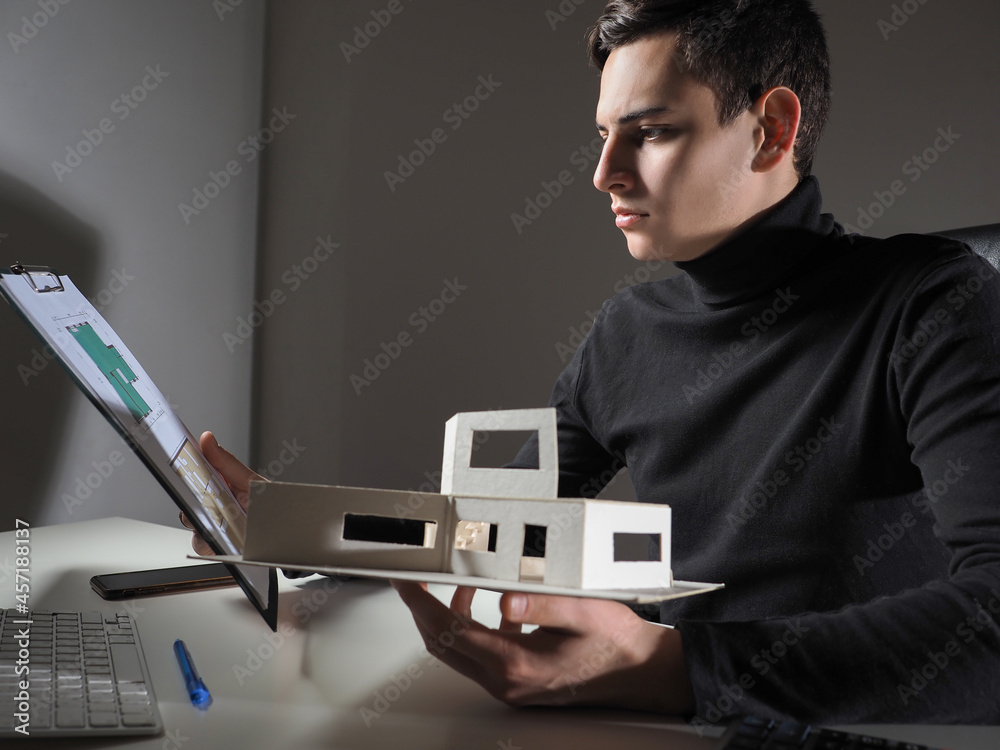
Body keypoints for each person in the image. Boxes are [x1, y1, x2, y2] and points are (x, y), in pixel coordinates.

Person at [191, 0, 1000, 724]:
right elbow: (480, 527)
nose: (604, 173)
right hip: (673, 727)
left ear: (771, 130)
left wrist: (666, 667)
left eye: (650, 132)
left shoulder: (935, 303)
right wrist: (290, 524)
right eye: (604, 135)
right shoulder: (628, 333)